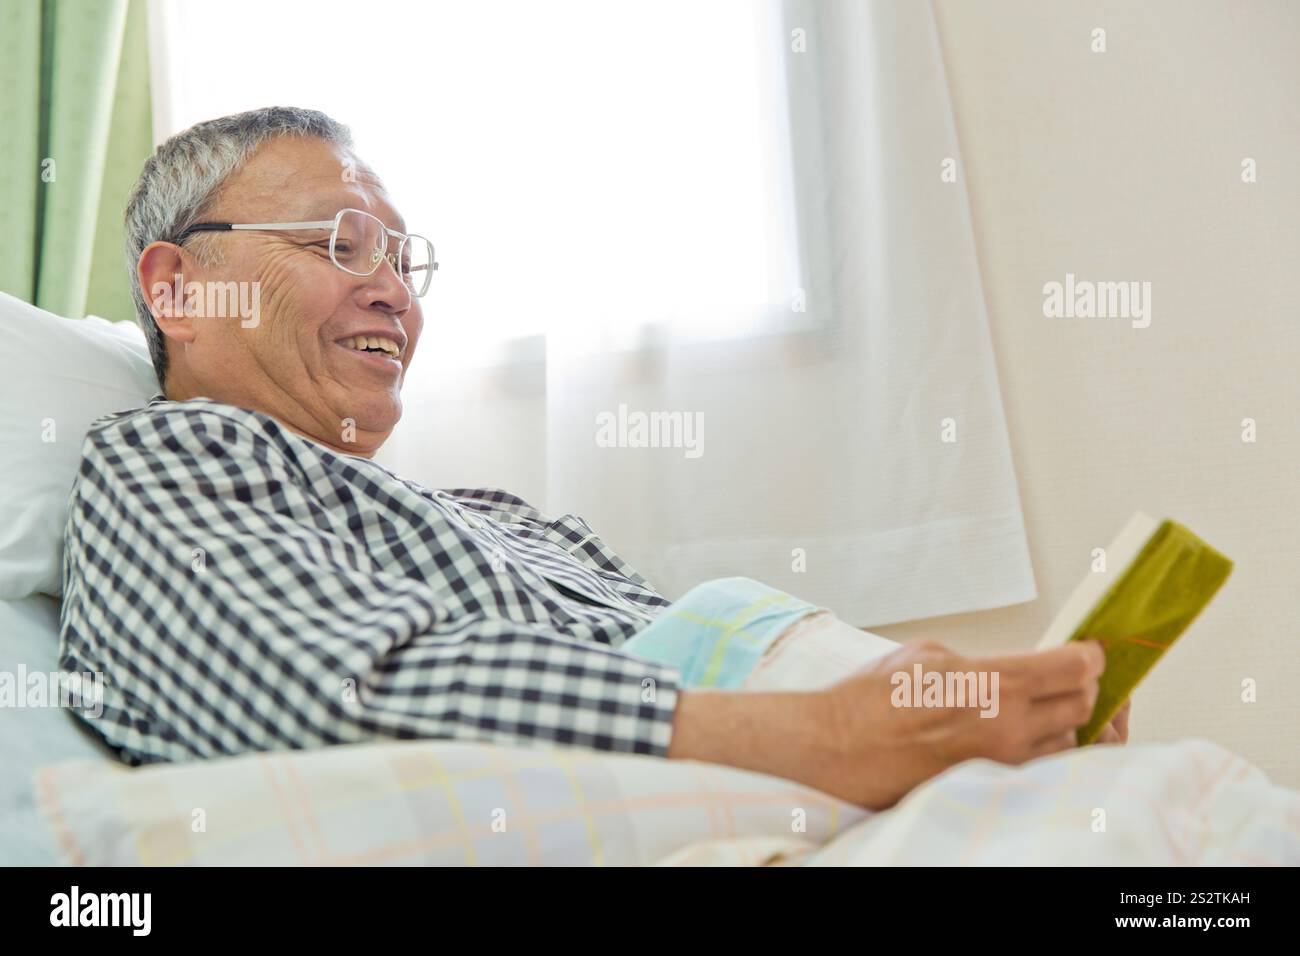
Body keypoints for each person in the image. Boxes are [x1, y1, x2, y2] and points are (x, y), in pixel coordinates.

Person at [59, 107, 1128, 812]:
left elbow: (695, 655)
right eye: (341, 244)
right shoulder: (160, 459)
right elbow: (331, 690)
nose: (393, 289)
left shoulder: (502, 518)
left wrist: (922, 697)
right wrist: (833, 729)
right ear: (178, 288)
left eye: (402, 257)